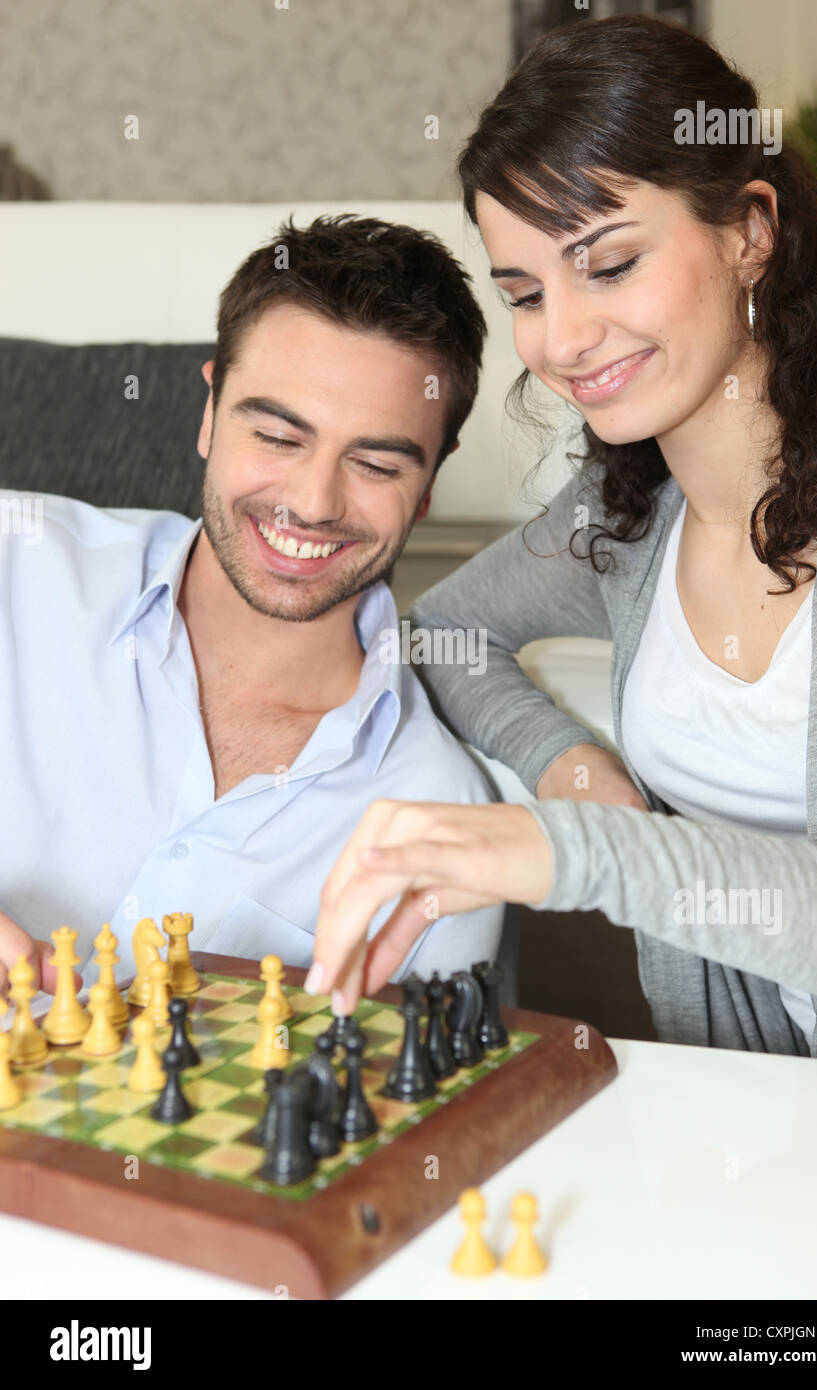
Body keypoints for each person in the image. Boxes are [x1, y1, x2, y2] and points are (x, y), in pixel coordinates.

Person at [306, 15, 817, 1063]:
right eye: (523, 292)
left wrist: (576, 850)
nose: (558, 340)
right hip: (762, 1126)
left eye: (605, 265)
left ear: (749, 230)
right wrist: (563, 764)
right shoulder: (622, 516)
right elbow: (443, 632)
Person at [0, 213, 503, 1010]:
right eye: (276, 436)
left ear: (431, 480)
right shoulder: (15, 562)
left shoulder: (441, 820)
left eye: (375, 462)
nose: (311, 502)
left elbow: (413, 1108)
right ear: (209, 413)